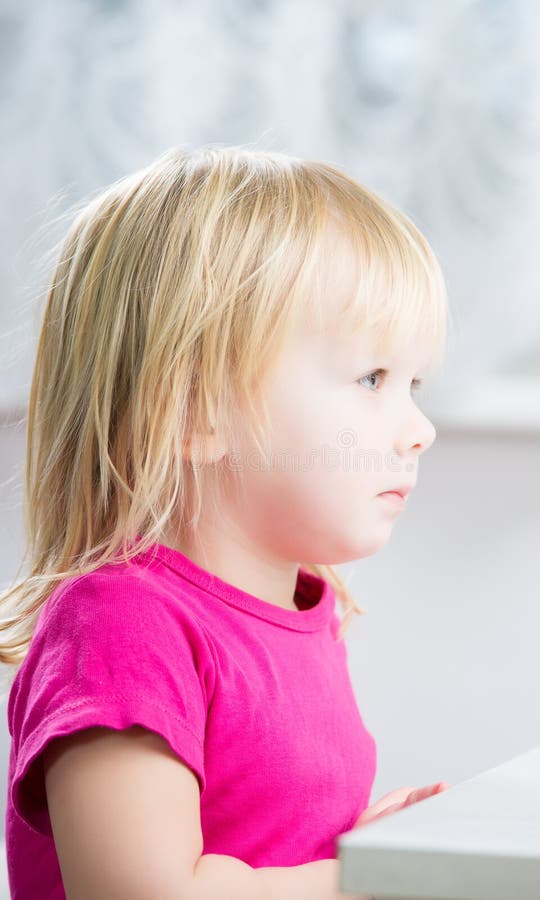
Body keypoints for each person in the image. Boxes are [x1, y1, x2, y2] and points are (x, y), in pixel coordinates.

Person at [0, 145, 451, 899]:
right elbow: (146, 893)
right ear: (195, 412)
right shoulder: (121, 627)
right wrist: (360, 881)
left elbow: (265, 847)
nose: (419, 429)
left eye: (414, 383)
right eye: (372, 378)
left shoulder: (309, 609)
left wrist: (356, 851)